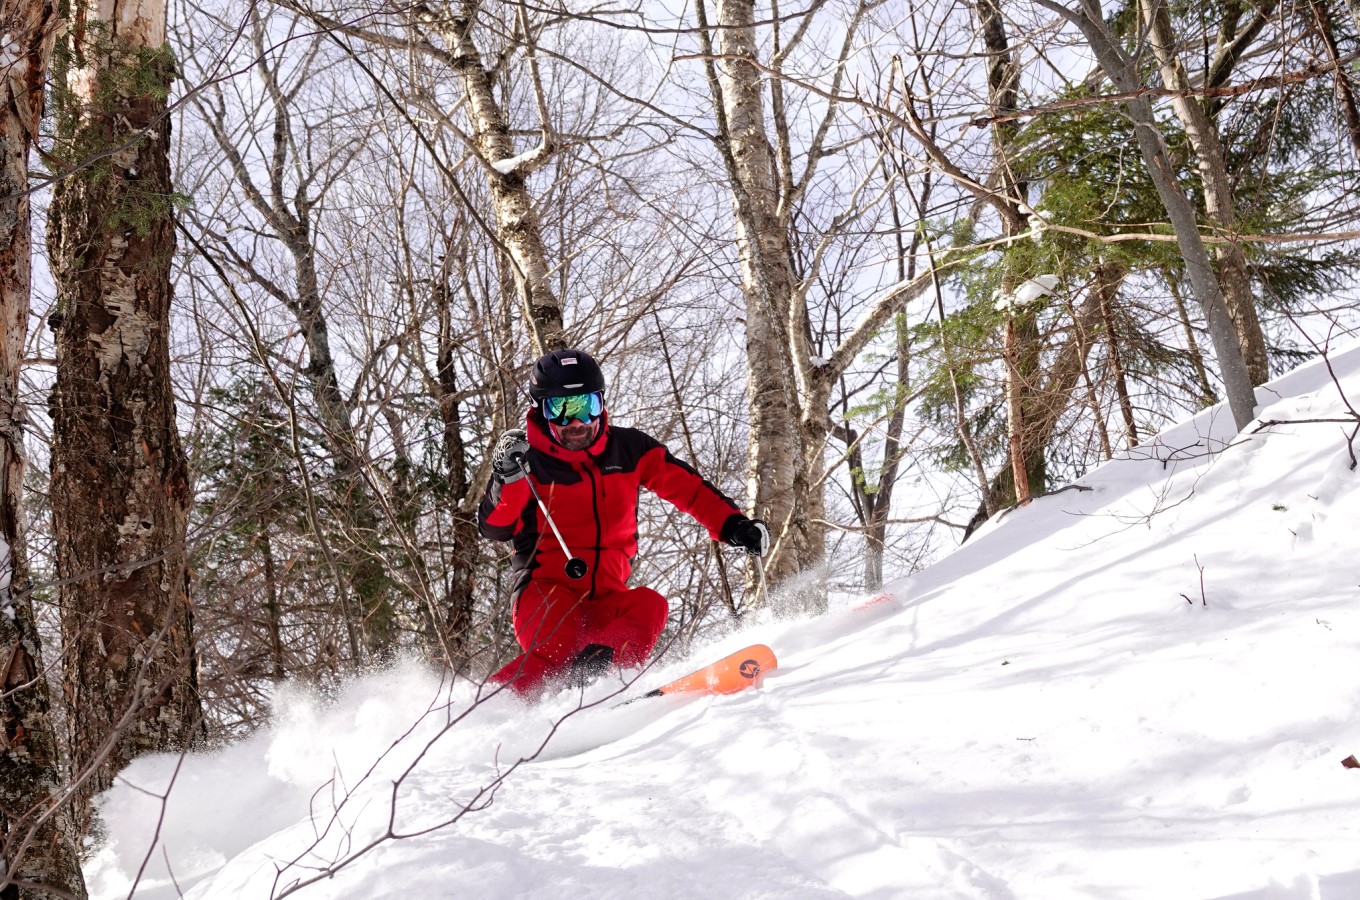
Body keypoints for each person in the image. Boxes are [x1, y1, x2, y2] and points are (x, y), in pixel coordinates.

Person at [478, 347, 770, 697]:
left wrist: (733, 525)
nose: (577, 422)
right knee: (561, 645)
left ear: (601, 403)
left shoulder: (628, 450)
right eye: (560, 409)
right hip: (544, 595)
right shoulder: (528, 462)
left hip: (606, 599)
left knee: (649, 606)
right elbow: (495, 527)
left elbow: (689, 490)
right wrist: (507, 479)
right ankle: (483, 711)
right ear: (542, 413)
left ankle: (598, 690)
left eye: (587, 406)